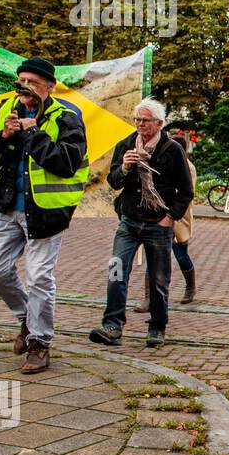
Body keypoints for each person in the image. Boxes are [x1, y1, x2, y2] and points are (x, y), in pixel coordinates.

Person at [0, 56, 88, 374]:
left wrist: (32, 134)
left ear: (49, 87)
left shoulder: (68, 116)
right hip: (6, 206)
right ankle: (26, 317)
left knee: (39, 278)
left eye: (33, 82)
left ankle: (39, 344)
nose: (25, 86)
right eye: (22, 80)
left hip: (47, 212)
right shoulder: (1, 111)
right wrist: (3, 137)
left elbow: (66, 162)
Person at [90, 98, 195, 348]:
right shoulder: (126, 145)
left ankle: (157, 326)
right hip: (128, 222)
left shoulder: (172, 150)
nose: (139, 124)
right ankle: (112, 325)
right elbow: (114, 182)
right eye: (137, 119)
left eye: (145, 120)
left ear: (159, 124)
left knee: (159, 279)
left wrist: (169, 218)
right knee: (116, 271)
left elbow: (186, 191)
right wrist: (125, 168)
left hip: (157, 225)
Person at [133, 132, 198, 312]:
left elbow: (186, 192)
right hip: (158, 215)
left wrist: (171, 212)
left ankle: (190, 287)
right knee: (155, 256)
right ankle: (149, 298)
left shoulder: (188, 167)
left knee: (181, 255)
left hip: (177, 216)